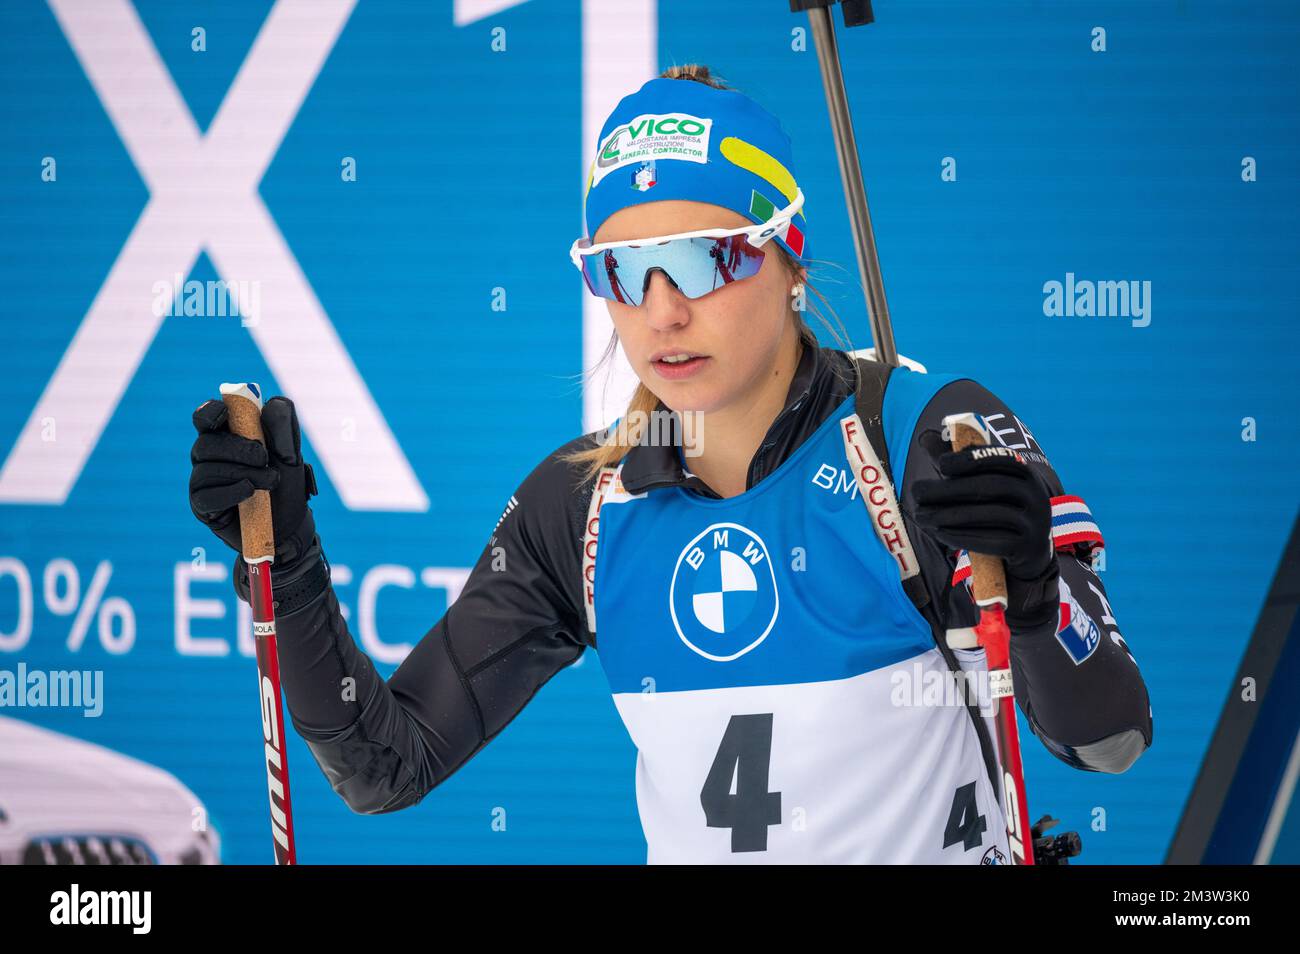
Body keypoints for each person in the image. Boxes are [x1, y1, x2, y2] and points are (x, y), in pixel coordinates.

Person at [188, 65, 1151, 864]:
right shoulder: (588, 504)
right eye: (618, 269)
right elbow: (382, 767)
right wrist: (290, 564)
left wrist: (1032, 592)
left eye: (703, 260)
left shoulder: (918, 439)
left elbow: (1109, 740)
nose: (661, 312)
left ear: (789, 258)